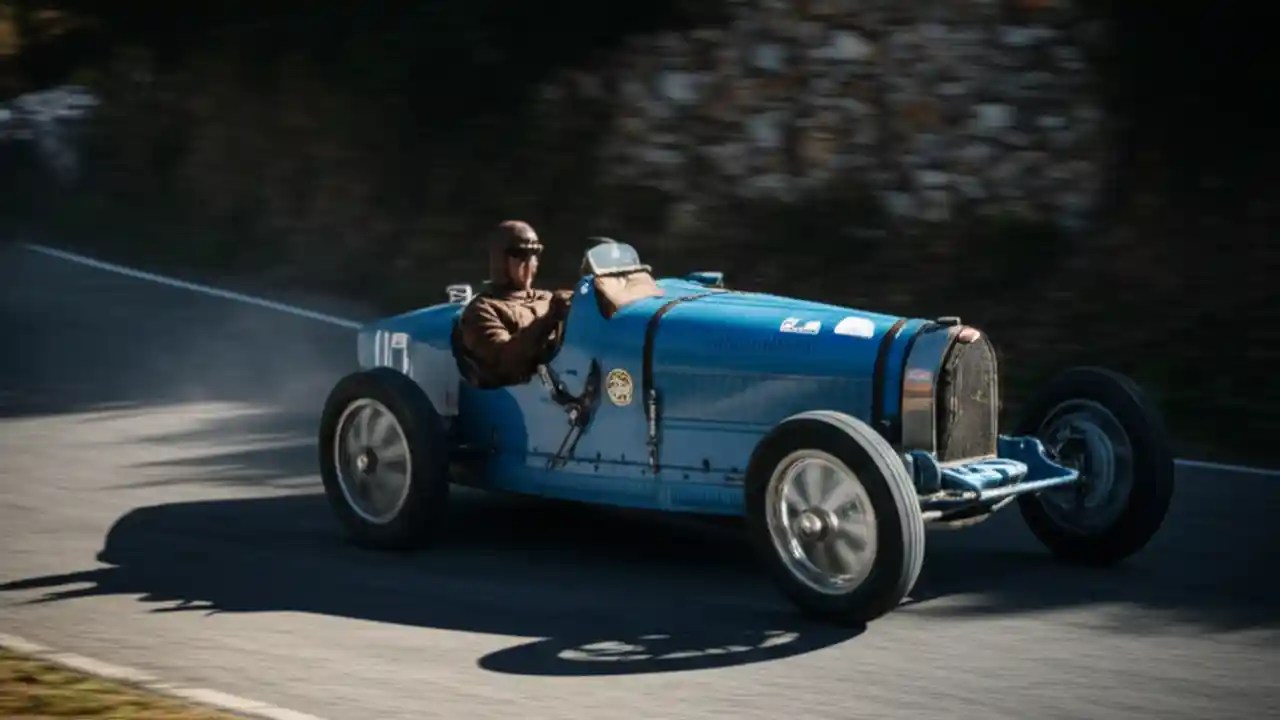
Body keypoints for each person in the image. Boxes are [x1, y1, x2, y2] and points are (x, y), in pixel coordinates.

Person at [457, 220, 573, 387]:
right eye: (520, 254)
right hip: (524, 395)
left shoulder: (548, 298)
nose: (530, 261)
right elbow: (504, 362)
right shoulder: (482, 310)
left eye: (535, 253)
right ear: (500, 259)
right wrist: (549, 319)